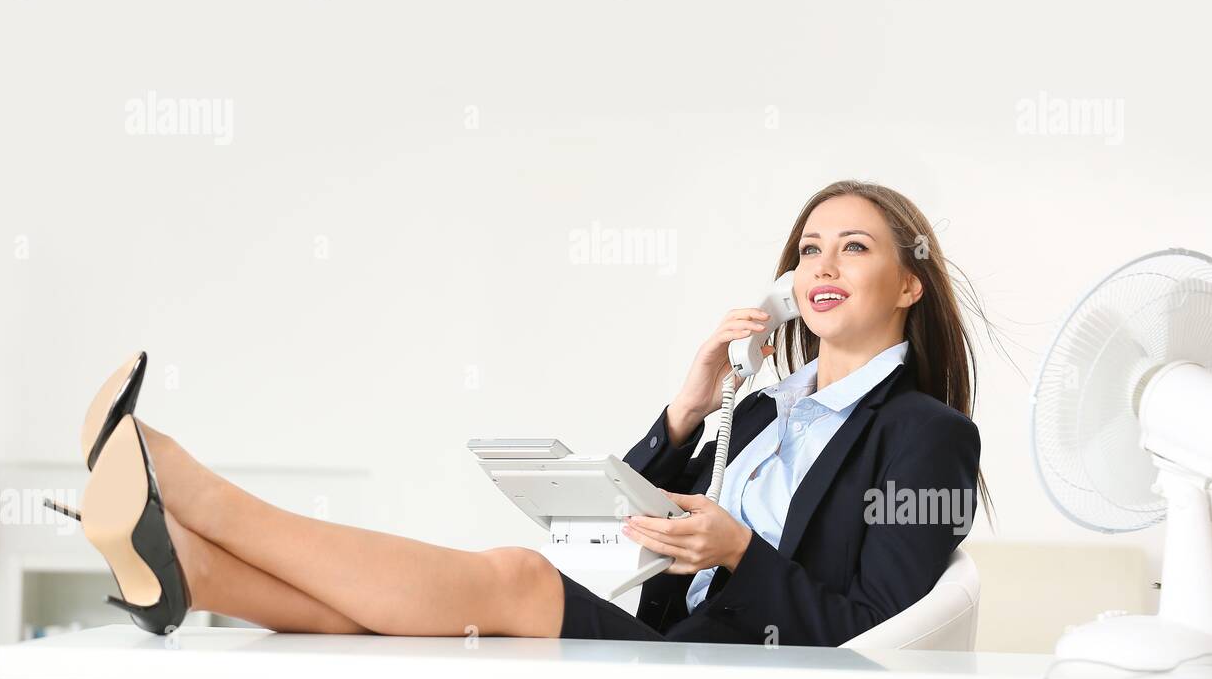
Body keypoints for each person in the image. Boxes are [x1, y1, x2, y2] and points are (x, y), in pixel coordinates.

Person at [53, 179, 994, 645]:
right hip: (680, 650)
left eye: (853, 250)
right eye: (809, 252)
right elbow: (654, 522)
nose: (820, 270)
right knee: (442, 628)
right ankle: (188, 571)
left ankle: (188, 488)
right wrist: (684, 412)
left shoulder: (928, 437)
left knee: (511, 581)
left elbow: (874, 633)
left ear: (909, 284)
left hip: (753, 674)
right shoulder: (757, 414)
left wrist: (742, 556)